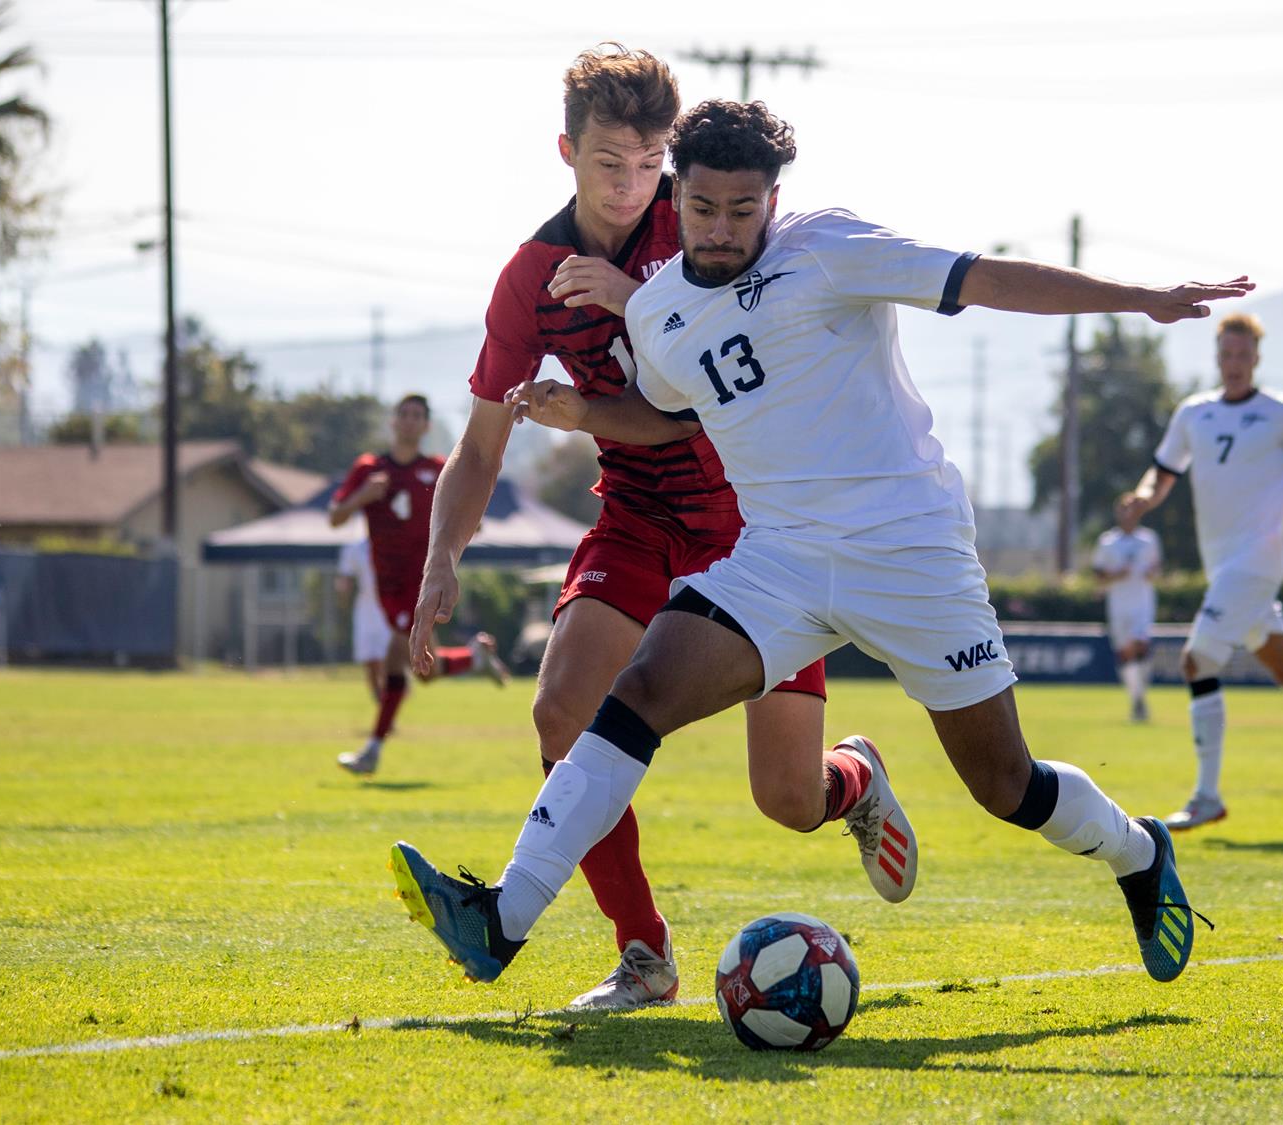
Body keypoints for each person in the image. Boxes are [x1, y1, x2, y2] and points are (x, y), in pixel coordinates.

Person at [390, 98, 1248, 991]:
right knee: (634, 695)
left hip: (910, 554)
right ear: (677, 198)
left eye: (744, 209)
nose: (721, 230)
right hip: (780, 558)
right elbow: (668, 413)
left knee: (1005, 783)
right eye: (704, 209)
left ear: (772, 199)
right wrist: (587, 416)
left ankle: (1138, 852)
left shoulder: (829, 247)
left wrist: (1141, 299)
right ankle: (503, 919)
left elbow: (989, 278)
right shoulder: (660, 312)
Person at [402, 49, 915, 1012]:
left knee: (788, 798)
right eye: (609, 163)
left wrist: (630, 306)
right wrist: (440, 557)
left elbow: (699, 400)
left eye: (648, 166)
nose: (633, 185)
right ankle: (645, 953)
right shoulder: (531, 276)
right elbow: (478, 446)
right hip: (636, 517)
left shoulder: (712, 237)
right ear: (566, 151)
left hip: (754, 528)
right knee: (561, 713)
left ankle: (856, 778)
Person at [1119, 314, 1283, 832]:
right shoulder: (1194, 413)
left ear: (1256, 358)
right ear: (1216, 357)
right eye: (1226, 355)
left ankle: (1207, 796)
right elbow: (1163, 472)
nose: (1233, 365)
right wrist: (1145, 497)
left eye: (1243, 356)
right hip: (1223, 569)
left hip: (1259, 561)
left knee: (1198, 660)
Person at [328, 393, 507, 777]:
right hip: (386, 584)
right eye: (403, 414)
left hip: (423, 580)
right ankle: (473, 658)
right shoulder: (369, 467)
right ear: (392, 422)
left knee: (400, 657)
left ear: (426, 426)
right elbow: (335, 517)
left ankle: (372, 750)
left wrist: (459, 530)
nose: (409, 421)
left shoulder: (439, 469)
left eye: (417, 416)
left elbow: (472, 517)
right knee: (422, 668)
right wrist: (363, 496)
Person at [1091, 495, 1162, 722]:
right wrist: (1115, 575)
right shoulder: (1108, 541)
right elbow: (1098, 572)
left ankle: (1139, 699)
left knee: (1140, 644)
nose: (1129, 514)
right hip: (1119, 605)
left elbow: (1156, 569)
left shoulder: (1149, 539)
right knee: (1125, 652)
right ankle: (1137, 698)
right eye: (1124, 510)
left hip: (1142, 603)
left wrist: (1152, 573)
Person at [336, 537, 389, 702]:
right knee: (370, 662)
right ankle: (382, 703)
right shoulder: (355, 549)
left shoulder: (393, 543)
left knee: (388, 661)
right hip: (366, 612)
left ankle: (392, 701)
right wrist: (343, 591)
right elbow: (345, 579)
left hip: (389, 610)